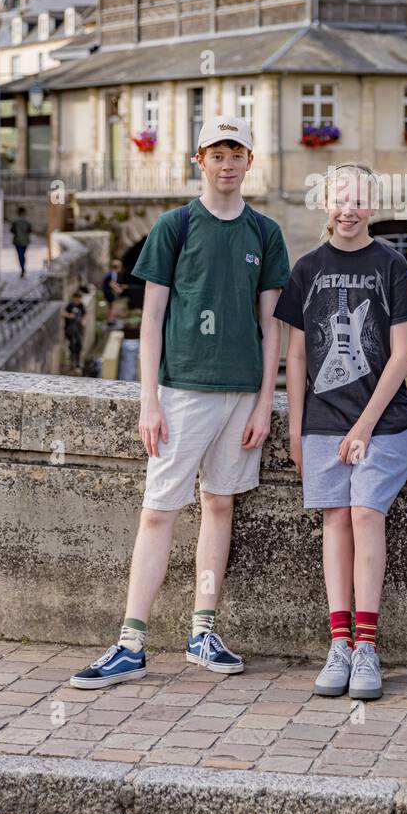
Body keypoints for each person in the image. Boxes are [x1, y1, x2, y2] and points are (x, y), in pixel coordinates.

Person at [69, 116, 290, 689]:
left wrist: (265, 401)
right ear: (200, 161)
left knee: (219, 506)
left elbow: (272, 326)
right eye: (217, 154)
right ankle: (130, 643)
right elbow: (151, 319)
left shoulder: (265, 232)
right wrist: (149, 400)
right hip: (183, 389)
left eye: (236, 154)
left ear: (249, 161)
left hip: (241, 393)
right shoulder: (175, 226)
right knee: (158, 511)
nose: (227, 164)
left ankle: (202, 632)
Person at [275, 162, 407, 701]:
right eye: (340, 199)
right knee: (335, 520)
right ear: (325, 204)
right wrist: (296, 429)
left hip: (383, 423)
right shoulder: (307, 268)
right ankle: (338, 644)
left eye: (359, 200)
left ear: (373, 206)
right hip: (322, 422)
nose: (349, 209)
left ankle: (367, 647)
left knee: (365, 514)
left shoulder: (391, 265)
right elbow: (296, 356)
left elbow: (403, 353)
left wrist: (364, 426)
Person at [62, 289, 86, 373]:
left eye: (80, 299)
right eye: (77, 299)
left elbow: (84, 313)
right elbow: (63, 313)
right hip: (70, 328)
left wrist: (84, 320)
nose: (79, 300)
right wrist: (69, 315)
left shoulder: (81, 305)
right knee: (72, 345)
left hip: (78, 329)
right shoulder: (70, 305)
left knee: (79, 345)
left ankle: (78, 363)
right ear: (74, 298)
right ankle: (72, 363)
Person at [10, 206, 31, 277]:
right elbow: (29, 231)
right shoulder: (27, 222)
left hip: (17, 241)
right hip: (25, 241)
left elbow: (12, 230)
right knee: (23, 255)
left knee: (20, 255)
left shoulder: (15, 222)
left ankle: (22, 268)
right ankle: (23, 268)